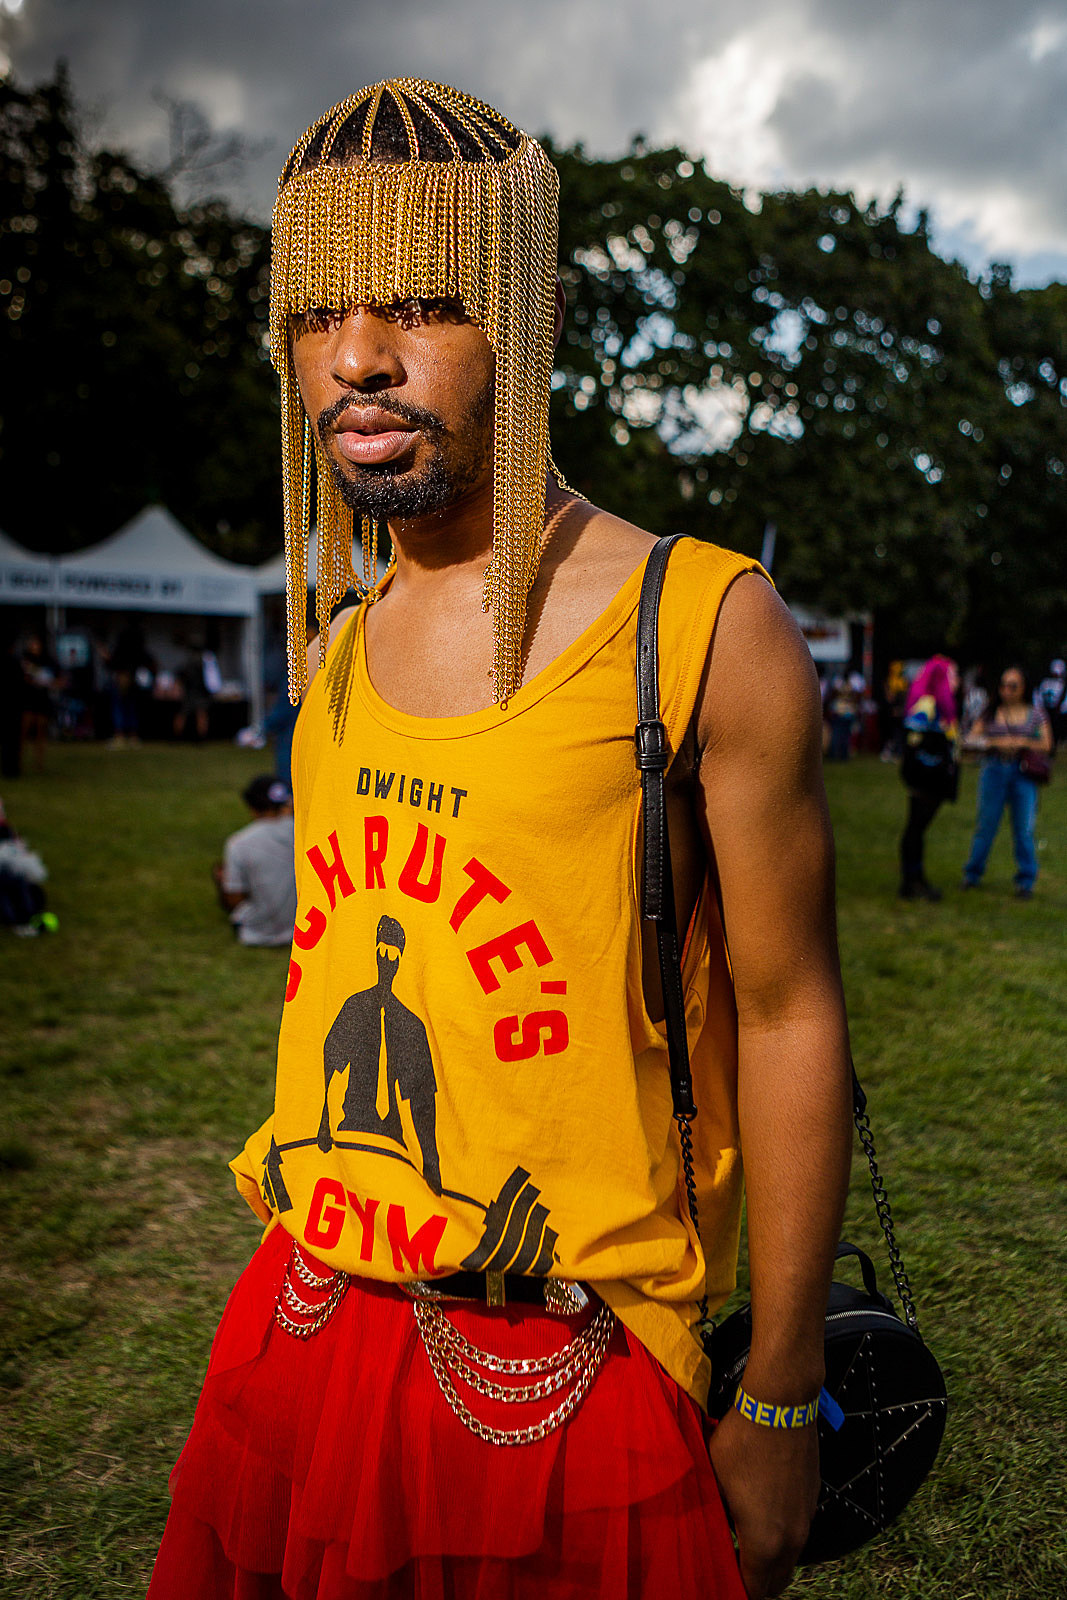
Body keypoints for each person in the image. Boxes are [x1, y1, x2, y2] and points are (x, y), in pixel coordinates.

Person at [149, 79, 853, 1600]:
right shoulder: (331, 648)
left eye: (419, 303)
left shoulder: (701, 626)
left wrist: (780, 1391)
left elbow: (793, 1015)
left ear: (526, 319)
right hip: (304, 1329)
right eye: (318, 313)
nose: (355, 360)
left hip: (574, 1371)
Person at [962, 666, 1052, 899]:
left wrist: (1022, 741)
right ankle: (972, 874)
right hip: (994, 769)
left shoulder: (1035, 713)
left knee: (1023, 828)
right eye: (1003, 685)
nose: (1007, 690)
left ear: (1024, 688)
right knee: (986, 824)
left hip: (1022, 772)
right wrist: (996, 742)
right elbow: (972, 738)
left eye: (1013, 686)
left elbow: (1046, 744)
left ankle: (1026, 880)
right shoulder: (991, 711)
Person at [897, 655, 959, 901]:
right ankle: (912, 881)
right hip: (926, 780)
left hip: (930, 779)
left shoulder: (940, 706)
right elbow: (913, 741)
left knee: (917, 828)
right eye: (953, 675)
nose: (957, 680)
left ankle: (914, 879)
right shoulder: (927, 705)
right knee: (915, 828)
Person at [213, 774, 297, 946]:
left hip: (258, 932)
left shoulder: (239, 842)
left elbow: (234, 897)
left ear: (252, 807)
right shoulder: (305, 832)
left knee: (222, 873)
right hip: (309, 927)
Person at [1035, 658, 1067, 747]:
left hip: (1056, 712)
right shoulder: (1046, 683)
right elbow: (1039, 696)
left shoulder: (1046, 682)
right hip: (1049, 710)